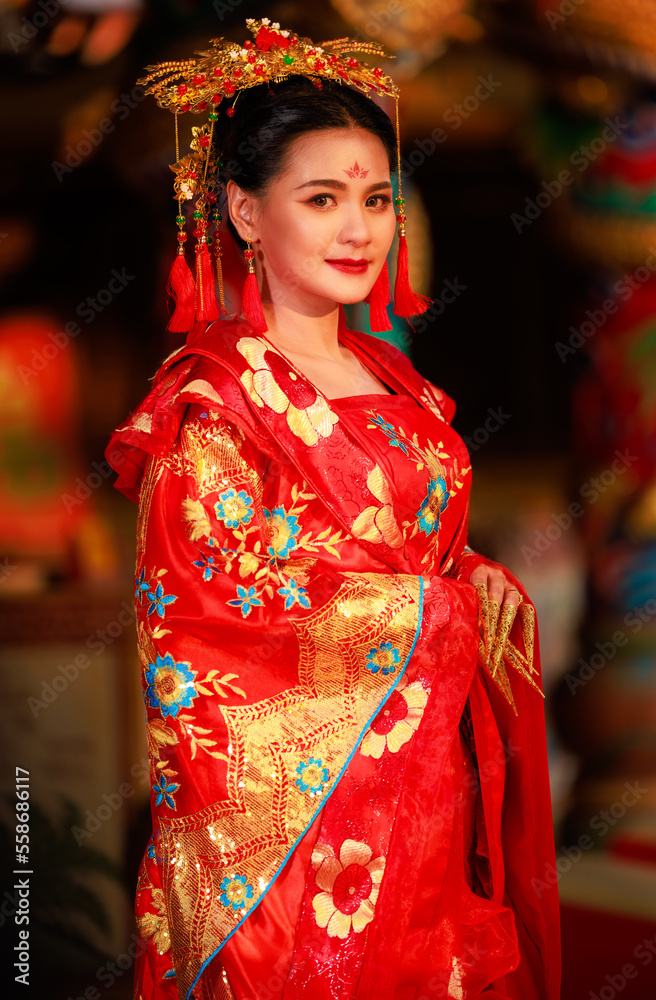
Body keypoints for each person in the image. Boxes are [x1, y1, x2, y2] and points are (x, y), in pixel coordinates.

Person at [107, 18, 560, 1000]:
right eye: (321, 199)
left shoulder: (401, 386)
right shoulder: (214, 403)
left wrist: (476, 588)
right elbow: (202, 618)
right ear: (243, 211)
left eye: (375, 199)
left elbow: (433, 559)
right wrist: (429, 613)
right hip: (299, 840)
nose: (359, 229)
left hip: (426, 795)